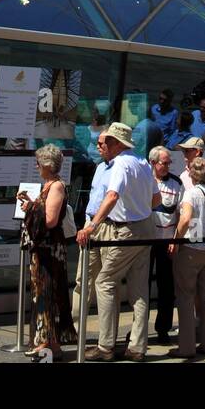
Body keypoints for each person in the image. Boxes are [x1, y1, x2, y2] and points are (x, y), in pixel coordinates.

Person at [76, 122, 159, 362]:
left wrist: (93, 224)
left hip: (127, 230)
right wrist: (138, 207)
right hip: (145, 226)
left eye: (107, 142)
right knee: (139, 289)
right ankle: (137, 347)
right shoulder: (143, 162)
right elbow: (156, 199)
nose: (102, 146)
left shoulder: (121, 164)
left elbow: (112, 196)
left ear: (117, 144)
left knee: (104, 282)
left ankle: (105, 347)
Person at [18, 145, 76, 362]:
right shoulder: (48, 186)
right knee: (44, 294)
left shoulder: (56, 187)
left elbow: (50, 220)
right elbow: (44, 213)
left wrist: (32, 209)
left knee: (47, 295)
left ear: (47, 166)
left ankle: (45, 343)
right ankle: (52, 346)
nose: (36, 167)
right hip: (43, 248)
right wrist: (31, 205)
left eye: (38, 163)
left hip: (50, 249)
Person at [169, 156, 205, 359]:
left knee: (185, 297)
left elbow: (186, 219)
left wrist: (176, 239)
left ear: (192, 173)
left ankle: (187, 346)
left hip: (191, 249)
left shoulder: (191, 194)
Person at [71, 134, 113, 325]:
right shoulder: (100, 166)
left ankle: (107, 336)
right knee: (83, 279)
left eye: (101, 143)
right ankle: (76, 327)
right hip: (90, 223)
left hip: (107, 225)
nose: (97, 146)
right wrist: (89, 223)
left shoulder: (120, 168)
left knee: (106, 282)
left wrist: (95, 224)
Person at [148, 146, 181, 346]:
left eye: (169, 162)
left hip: (167, 242)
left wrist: (175, 240)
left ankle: (163, 329)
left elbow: (181, 214)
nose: (167, 166)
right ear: (153, 162)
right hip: (145, 241)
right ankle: (139, 329)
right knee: (140, 287)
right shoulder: (144, 180)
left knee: (166, 288)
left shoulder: (176, 184)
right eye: (164, 163)